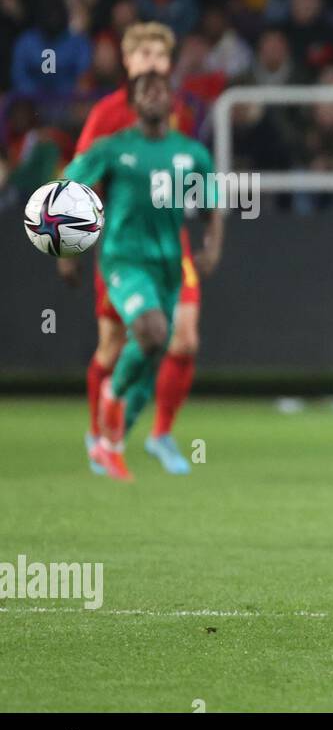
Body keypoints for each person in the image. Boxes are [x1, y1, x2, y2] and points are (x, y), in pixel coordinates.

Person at [65, 72, 224, 482]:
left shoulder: (190, 153)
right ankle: (110, 399)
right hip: (123, 260)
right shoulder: (114, 149)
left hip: (169, 264)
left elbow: (212, 207)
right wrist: (65, 249)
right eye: (144, 92)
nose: (154, 96)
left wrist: (212, 248)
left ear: (173, 101)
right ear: (134, 104)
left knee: (153, 352)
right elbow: (65, 189)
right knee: (152, 333)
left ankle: (111, 443)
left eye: (161, 90)